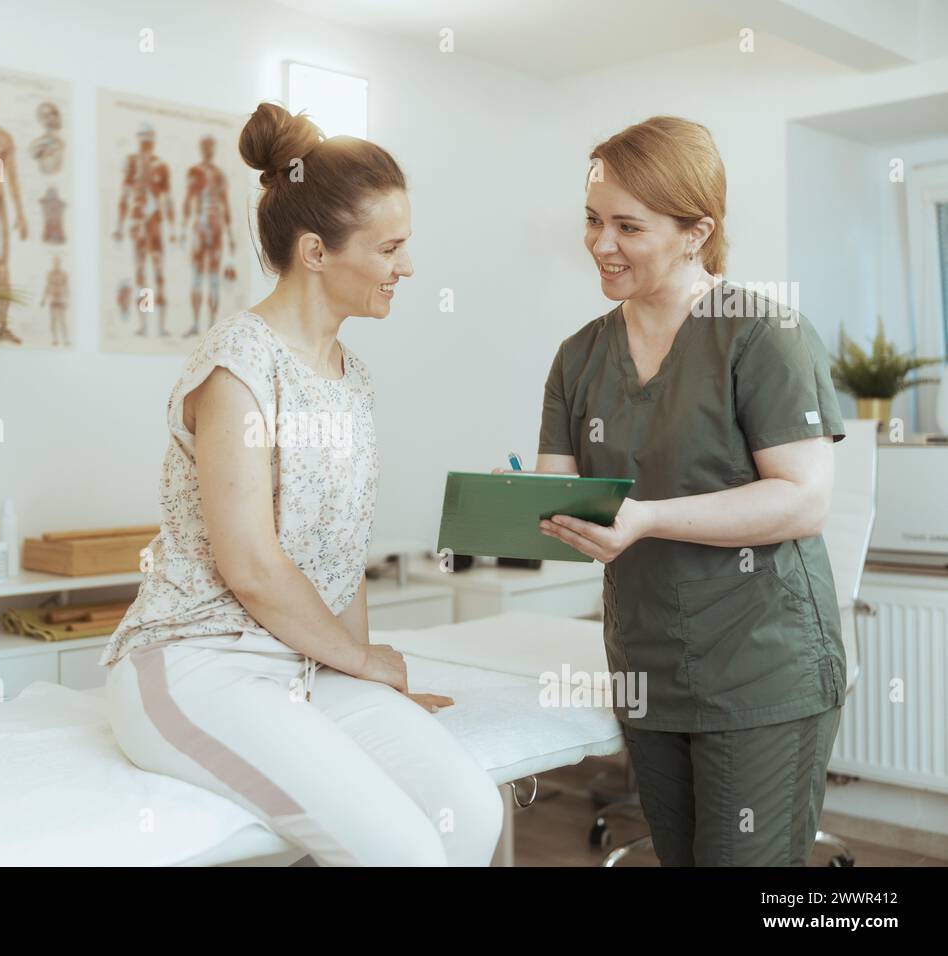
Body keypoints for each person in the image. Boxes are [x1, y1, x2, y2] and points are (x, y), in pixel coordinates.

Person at [100, 102, 504, 867]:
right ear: (316, 252)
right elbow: (250, 565)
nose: (407, 267)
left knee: (467, 813)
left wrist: (367, 675)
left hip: (304, 665)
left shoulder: (353, 380)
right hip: (197, 664)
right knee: (405, 852)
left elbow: (338, 557)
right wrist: (362, 664)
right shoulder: (239, 367)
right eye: (391, 247)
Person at [534, 116, 846, 866]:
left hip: (761, 666)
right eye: (592, 220)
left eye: (627, 226)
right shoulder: (579, 356)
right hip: (647, 668)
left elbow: (803, 498)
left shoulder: (764, 336)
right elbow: (561, 488)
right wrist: (526, 505)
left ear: (695, 232)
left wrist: (644, 519)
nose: (600, 244)